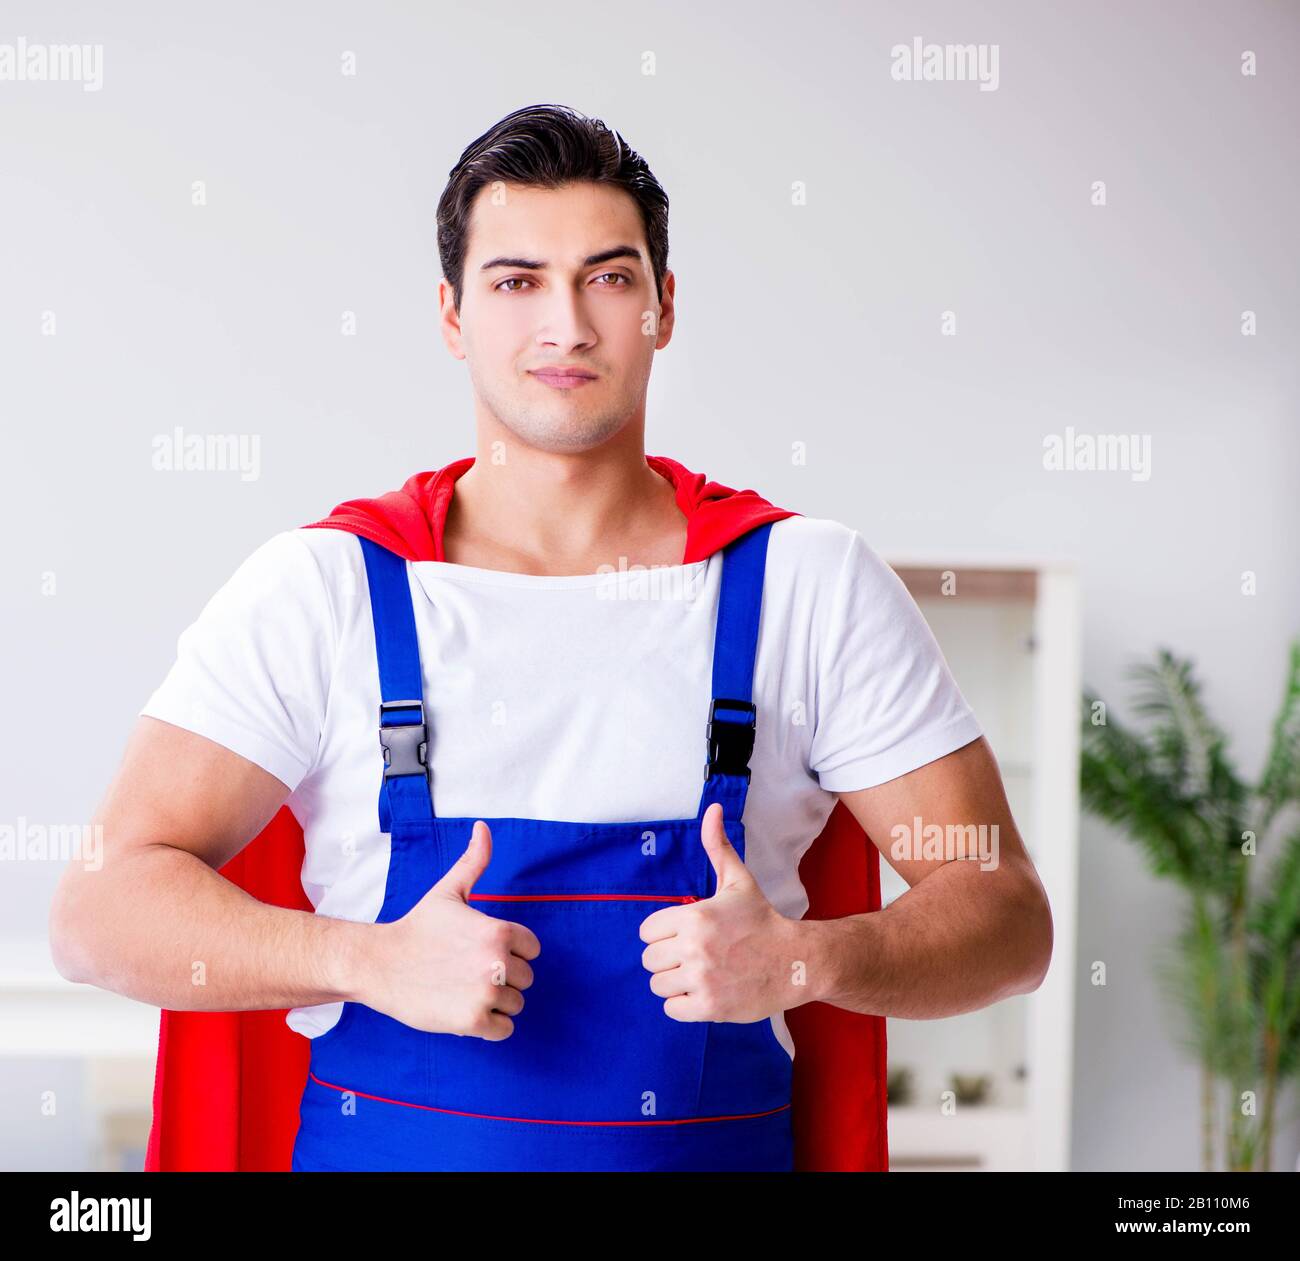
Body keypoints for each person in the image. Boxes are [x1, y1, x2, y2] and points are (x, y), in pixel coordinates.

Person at [49, 103, 1052, 1173]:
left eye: (609, 279)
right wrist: (364, 960)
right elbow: (98, 908)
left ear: (664, 308)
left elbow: (1006, 918)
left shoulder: (810, 583)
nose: (566, 326)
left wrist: (805, 959)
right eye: (516, 281)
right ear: (451, 314)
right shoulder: (324, 588)